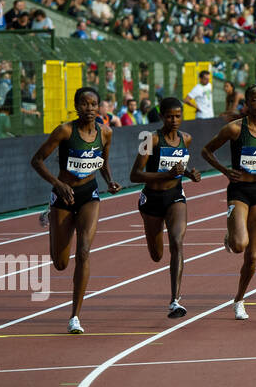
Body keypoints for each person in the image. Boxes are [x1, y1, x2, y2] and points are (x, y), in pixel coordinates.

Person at [31, 86, 121, 333]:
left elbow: (103, 162)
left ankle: (75, 317)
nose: (89, 108)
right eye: (84, 104)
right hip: (63, 197)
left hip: (89, 195)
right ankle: (51, 213)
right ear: (76, 105)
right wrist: (58, 184)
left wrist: (109, 181)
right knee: (60, 263)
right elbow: (36, 160)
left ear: (99, 107)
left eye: (93, 104)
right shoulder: (65, 131)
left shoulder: (106, 133)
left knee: (83, 252)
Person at [201, 85, 256, 320]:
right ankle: (231, 234)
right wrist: (225, 171)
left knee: (252, 256)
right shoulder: (234, 129)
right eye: (254, 100)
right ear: (246, 103)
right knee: (239, 244)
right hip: (239, 190)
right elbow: (206, 151)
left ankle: (239, 299)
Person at [129, 97, 201, 318]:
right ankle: (153, 237)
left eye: (178, 116)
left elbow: (180, 165)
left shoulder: (185, 139)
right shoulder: (150, 139)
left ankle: (175, 301)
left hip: (175, 196)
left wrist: (189, 173)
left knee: (177, 242)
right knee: (157, 254)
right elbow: (134, 175)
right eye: (169, 116)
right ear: (161, 117)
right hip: (151, 198)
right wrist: (165, 174)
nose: (174, 120)